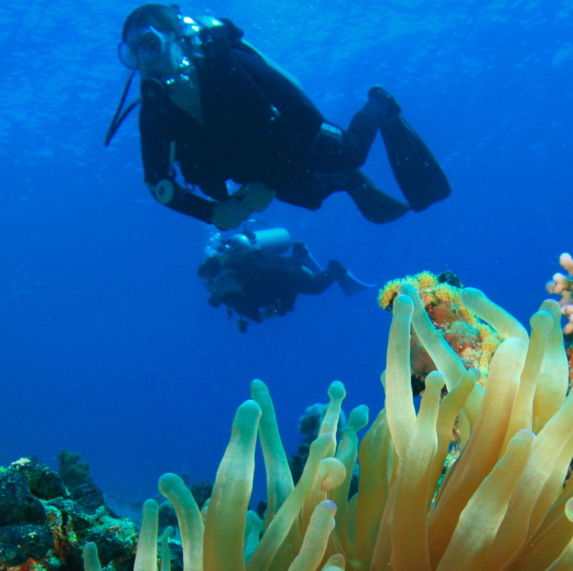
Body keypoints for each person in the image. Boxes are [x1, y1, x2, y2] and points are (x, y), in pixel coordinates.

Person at [107, 4, 451, 229]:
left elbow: (305, 116)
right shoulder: (155, 111)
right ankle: (349, 180)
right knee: (312, 198)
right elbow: (158, 183)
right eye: (133, 53)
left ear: (177, 38)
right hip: (253, 162)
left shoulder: (228, 66)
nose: (145, 59)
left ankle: (380, 103)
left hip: (292, 135)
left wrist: (268, 183)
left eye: (151, 43)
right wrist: (210, 213)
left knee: (354, 152)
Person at [197, 228, 372, 331]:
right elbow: (249, 310)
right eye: (206, 283)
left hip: (285, 272)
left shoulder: (253, 268)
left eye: (210, 282)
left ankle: (337, 269)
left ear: (225, 274)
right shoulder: (226, 295)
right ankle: (299, 251)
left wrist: (284, 307)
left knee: (314, 286)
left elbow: (290, 277)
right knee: (293, 271)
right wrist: (262, 315)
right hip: (275, 283)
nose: (208, 289)